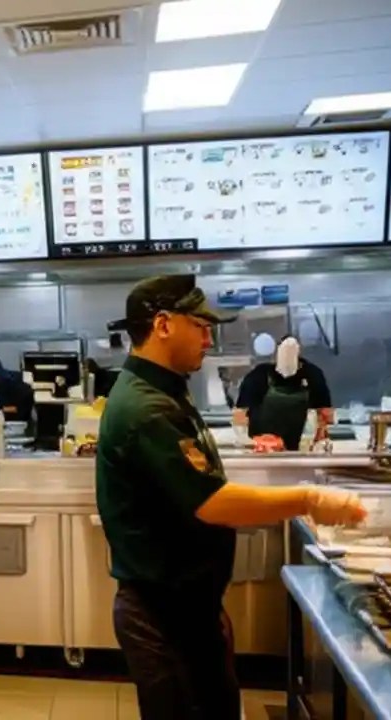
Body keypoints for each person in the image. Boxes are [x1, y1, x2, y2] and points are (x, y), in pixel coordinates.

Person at [96, 275, 366, 720]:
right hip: (165, 614)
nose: (209, 337)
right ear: (163, 325)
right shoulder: (146, 408)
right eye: (200, 326)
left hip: (188, 607)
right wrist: (311, 498)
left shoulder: (165, 390)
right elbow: (212, 503)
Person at [233, 335, 334, 451]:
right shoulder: (258, 376)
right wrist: (255, 442)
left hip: (302, 452)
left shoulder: (313, 375)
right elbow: (239, 418)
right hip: (262, 452)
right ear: (277, 353)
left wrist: (319, 442)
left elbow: (326, 417)